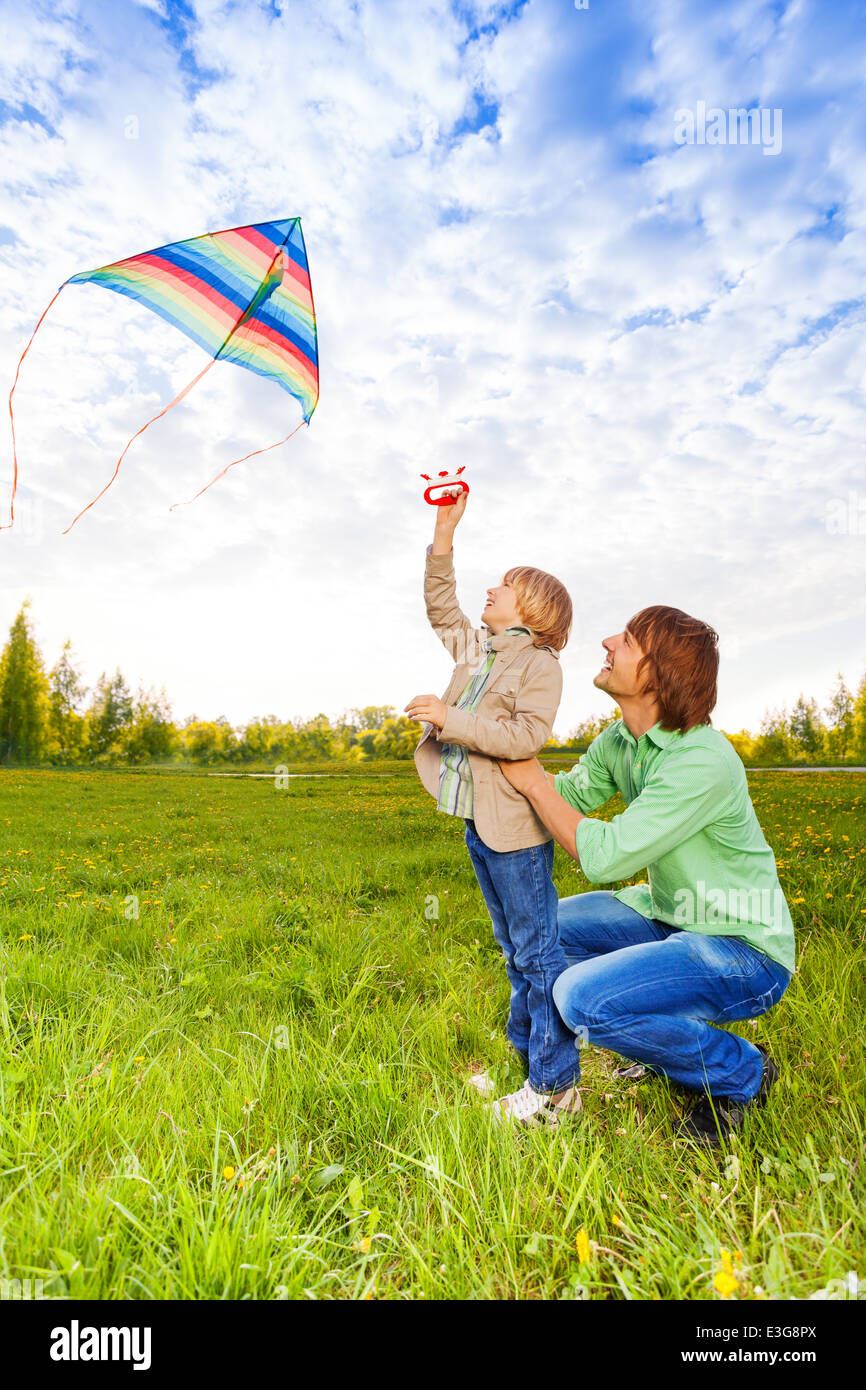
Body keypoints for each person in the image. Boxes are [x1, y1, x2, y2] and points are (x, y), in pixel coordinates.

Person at [497, 606, 795, 1145]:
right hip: (667, 913)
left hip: (743, 947)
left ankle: (741, 1072)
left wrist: (534, 783)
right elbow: (567, 799)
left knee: (582, 999)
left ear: (657, 674)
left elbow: (606, 856)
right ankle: (568, 1075)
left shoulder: (702, 761)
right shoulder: (621, 740)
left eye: (628, 640)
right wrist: (497, 758)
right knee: (542, 930)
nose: (608, 641)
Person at [404, 487, 580, 1126]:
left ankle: (556, 1091)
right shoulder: (478, 649)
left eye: (503, 588)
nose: (490, 593)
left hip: (518, 835)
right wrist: (444, 533)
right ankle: (529, 1070)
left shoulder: (539, 666)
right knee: (515, 953)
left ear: (530, 607)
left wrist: (452, 717)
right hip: (482, 824)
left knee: (538, 956)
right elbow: (440, 604)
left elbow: (523, 741)